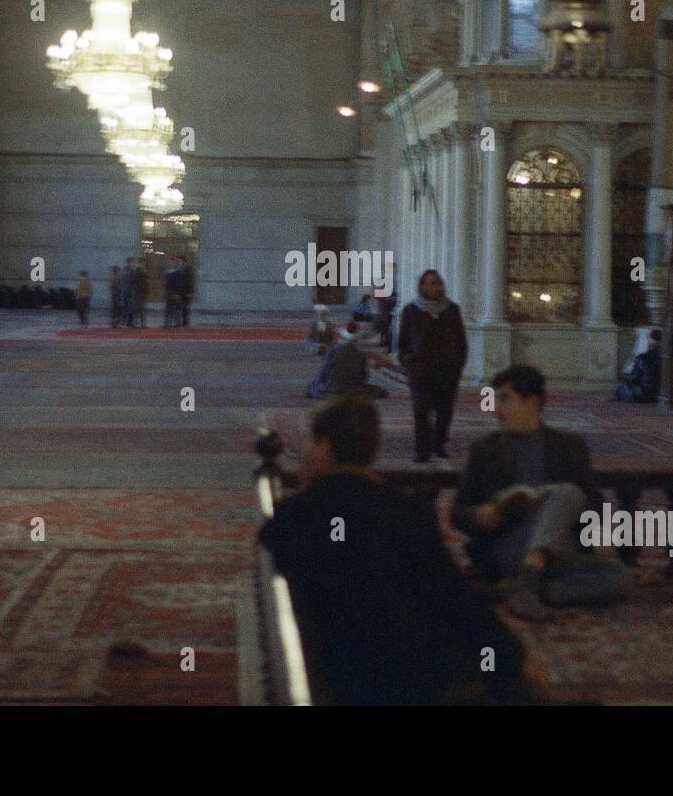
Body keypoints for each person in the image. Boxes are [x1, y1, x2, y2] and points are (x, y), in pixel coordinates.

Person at [258, 397, 537, 705]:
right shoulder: (405, 510)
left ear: (325, 448)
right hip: (402, 682)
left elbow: (276, 540)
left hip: (346, 674)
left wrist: (310, 489)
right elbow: (451, 596)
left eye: (309, 444)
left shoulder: (297, 514)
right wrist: (511, 655)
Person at [452, 365, 632, 614]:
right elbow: (457, 511)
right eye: (495, 400)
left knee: (622, 578)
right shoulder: (484, 449)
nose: (496, 409)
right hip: (508, 542)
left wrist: (561, 509)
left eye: (505, 399)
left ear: (533, 402)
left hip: (558, 550)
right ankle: (531, 577)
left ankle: (523, 587)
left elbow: (595, 508)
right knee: (568, 492)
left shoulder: (569, 446)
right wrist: (480, 515)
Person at [397, 269, 467, 462]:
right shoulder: (411, 310)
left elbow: (461, 341)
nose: (433, 287)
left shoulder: (452, 310)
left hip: (446, 371)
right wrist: (408, 362)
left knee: (444, 411)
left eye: (436, 283)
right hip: (420, 371)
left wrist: (457, 365)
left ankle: (438, 445)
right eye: (429, 283)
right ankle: (422, 449)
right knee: (421, 410)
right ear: (421, 286)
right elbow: (403, 342)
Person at [306, 322, 386, 400]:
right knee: (377, 390)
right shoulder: (360, 355)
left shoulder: (332, 351)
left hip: (332, 389)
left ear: (343, 337)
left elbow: (323, 372)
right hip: (352, 390)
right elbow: (363, 376)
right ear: (356, 340)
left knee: (313, 387)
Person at [616, 328, 663, 403]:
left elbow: (633, 379)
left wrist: (625, 377)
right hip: (659, 393)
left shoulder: (642, 358)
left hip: (644, 392)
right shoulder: (665, 358)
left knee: (621, 388)